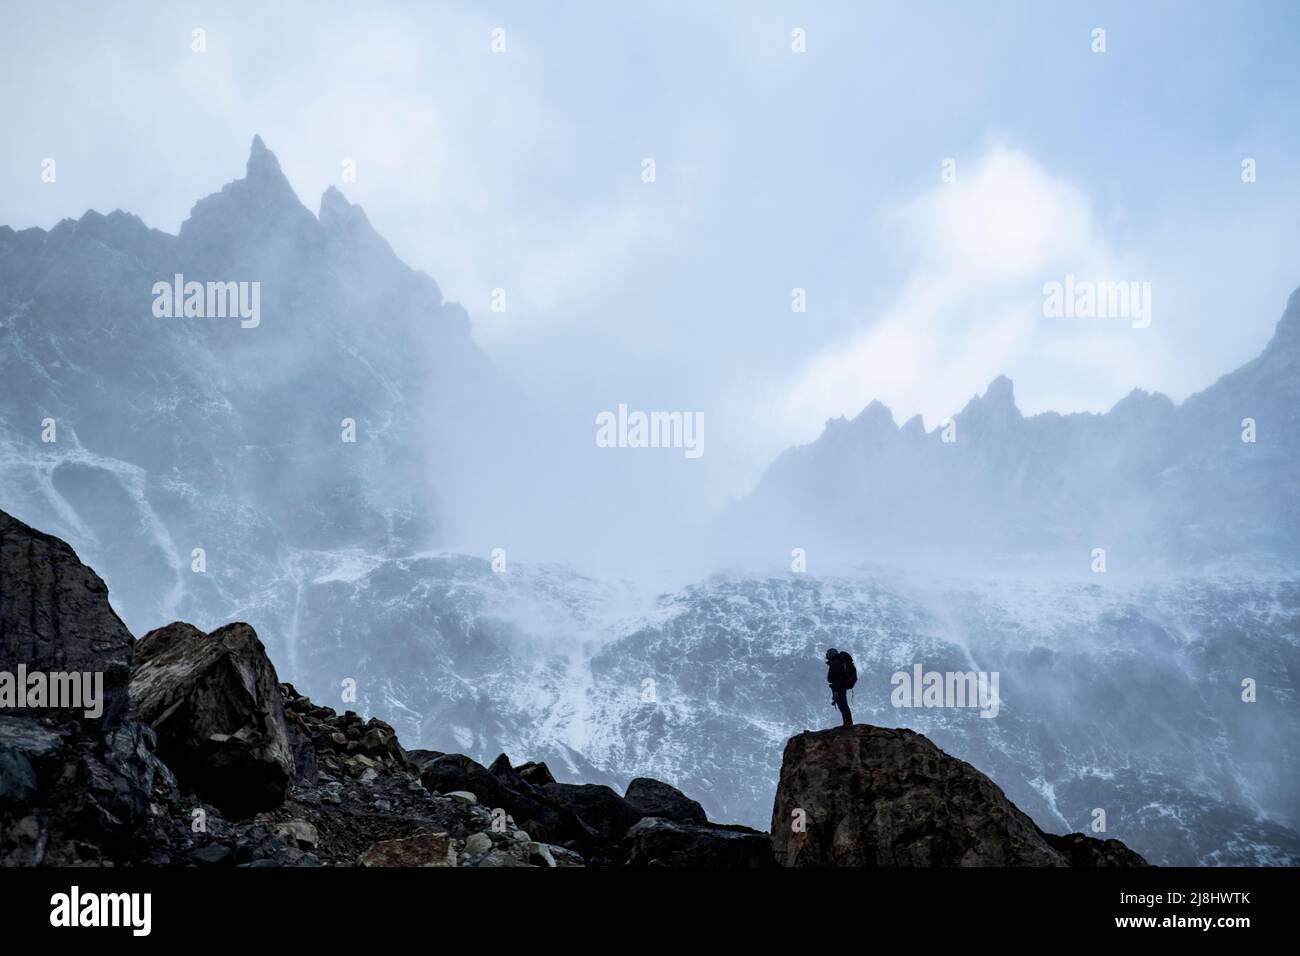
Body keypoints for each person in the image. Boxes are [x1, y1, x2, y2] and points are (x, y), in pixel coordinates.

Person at [825, 647, 855, 727]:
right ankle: (848, 723)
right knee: (843, 705)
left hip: (839, 687)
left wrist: (836, 691)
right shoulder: (838, 662)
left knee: (843, 706)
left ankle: (848, 724)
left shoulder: (836, 663)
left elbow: (838, 678)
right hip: (841, 686)